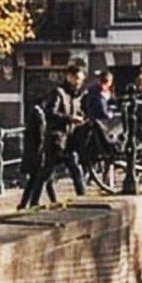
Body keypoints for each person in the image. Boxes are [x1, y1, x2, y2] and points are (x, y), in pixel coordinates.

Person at [18, 61, 88, 208]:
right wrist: (70, 119)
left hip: (68, 139)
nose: (79, 83)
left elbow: (76, 111)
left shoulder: (75, 96)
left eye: (81, 80)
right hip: (56, 139)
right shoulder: (58, 93)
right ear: (69, 77)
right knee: (46, 172)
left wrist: (80, 118)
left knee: (74, 168)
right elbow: (51, 113)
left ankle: (83, 198)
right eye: (76, 79)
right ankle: (33, 202)